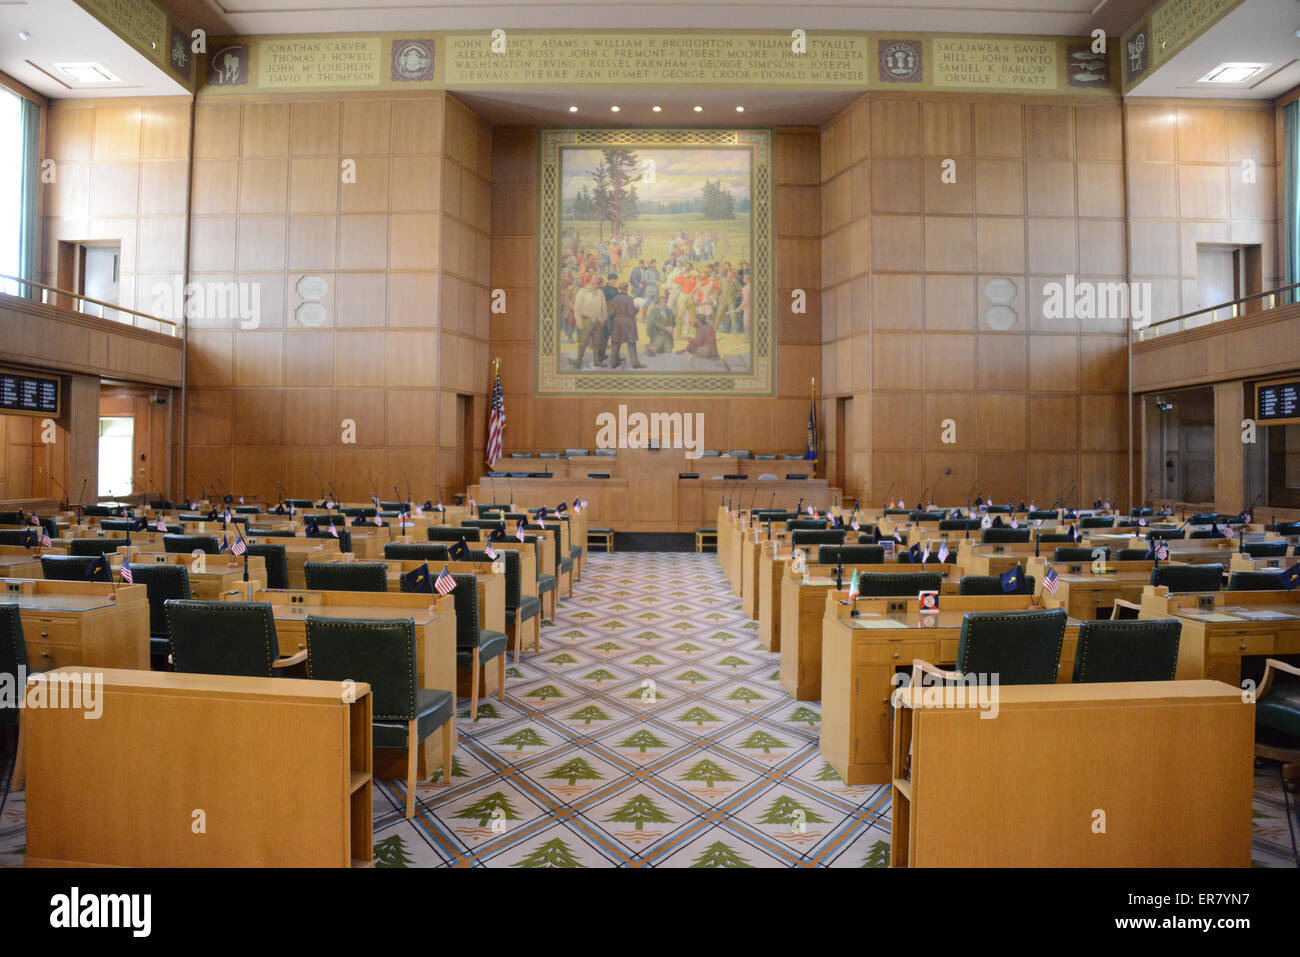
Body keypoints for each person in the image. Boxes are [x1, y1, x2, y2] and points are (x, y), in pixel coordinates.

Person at [571, 275, 607, 368]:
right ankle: (578, 361)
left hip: (598, 320)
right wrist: (579, 322)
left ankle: (597, 361)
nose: (598, 279)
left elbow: (604, 306)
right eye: (595, 278)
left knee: (597, 342)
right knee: (583, 343)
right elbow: (577, 308)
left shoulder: (600, 292)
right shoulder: (582, 291)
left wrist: (604, 318)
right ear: (589, 280)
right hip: (586, 320)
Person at [607, 282, 646, 369]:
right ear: (627, 288)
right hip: (628, 323)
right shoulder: (629, 299)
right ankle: (635, 363)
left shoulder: (614, 298)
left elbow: (611, 312)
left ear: (619, 288)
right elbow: (632, 313)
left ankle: (613, 363)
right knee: (631, 343)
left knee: (616, 343)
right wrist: (637, 308)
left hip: (617, 322)